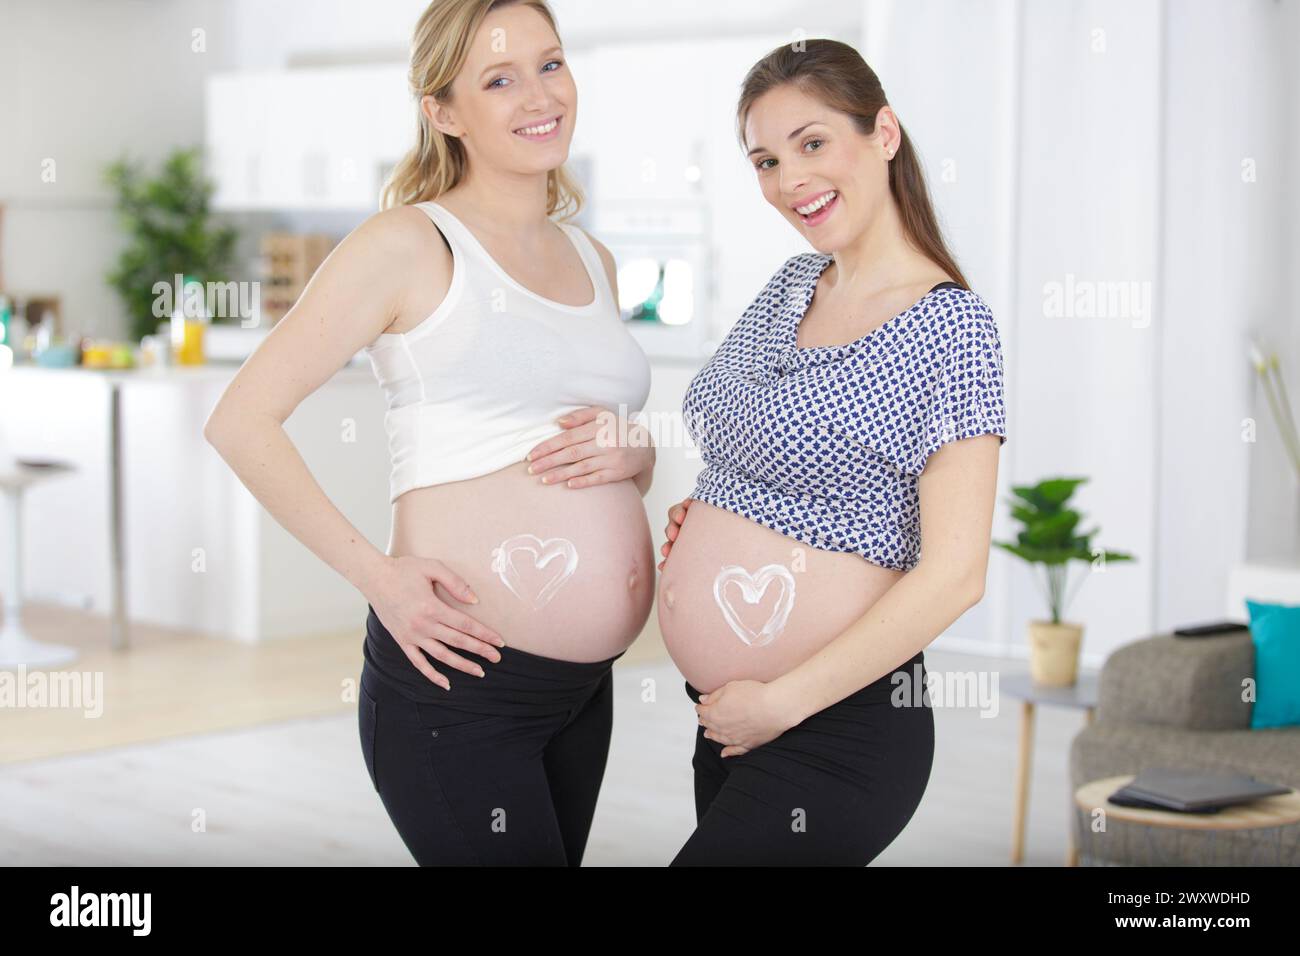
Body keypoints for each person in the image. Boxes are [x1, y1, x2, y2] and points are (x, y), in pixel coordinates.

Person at [204, 0, 656, 866]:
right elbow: (240, 420)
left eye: (550, 64)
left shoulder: (592, 257)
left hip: (581, 692)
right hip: (460, 688)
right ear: (443, 111)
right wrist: (377, 577)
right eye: (500, 79)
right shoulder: (408, 244)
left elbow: (598, 456)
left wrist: (637, 453)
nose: (541, 95)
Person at [656, 38, 1008, 865]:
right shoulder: (790, 285)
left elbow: (956, 575)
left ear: (883, 132)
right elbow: (756, 443)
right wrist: (718, 511)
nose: (790, 181)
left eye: (812, 143)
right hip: (729, 715)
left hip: (835, 726)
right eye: (767, 161)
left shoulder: (950, 327)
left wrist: (781, 703)